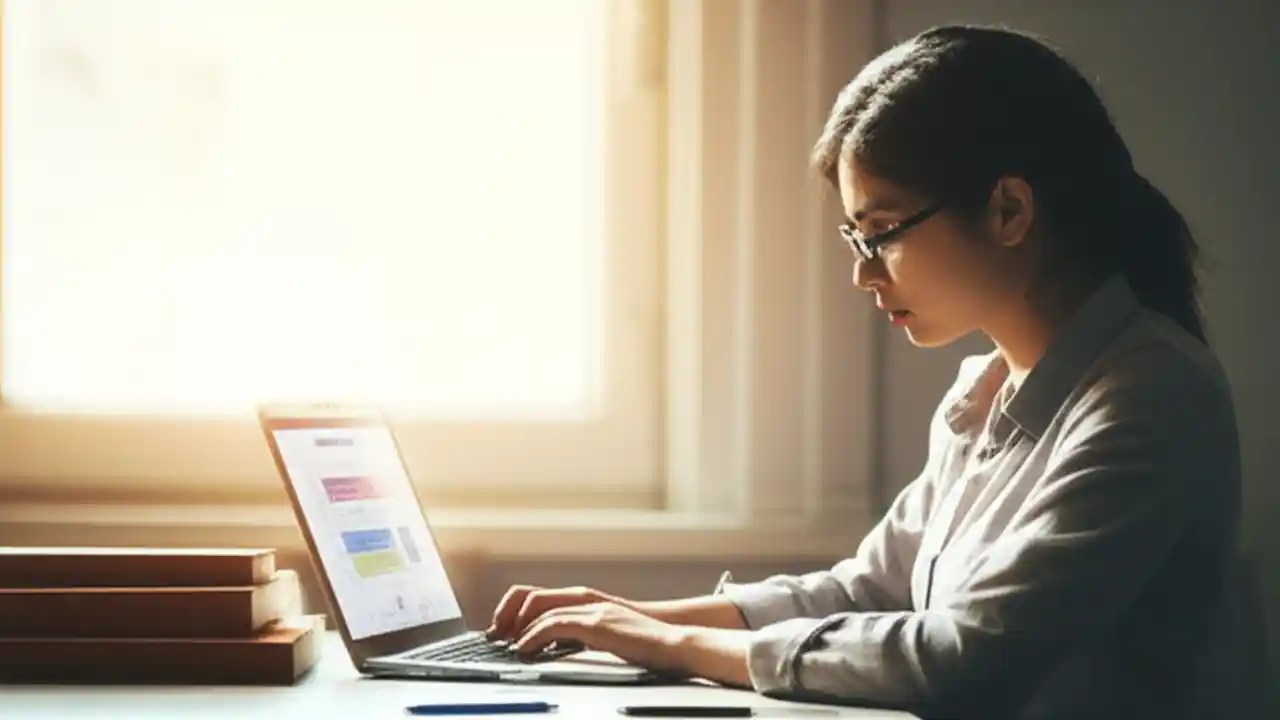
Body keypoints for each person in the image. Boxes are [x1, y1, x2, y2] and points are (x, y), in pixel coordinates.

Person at [485, 25, 1241, 720]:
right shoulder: (984, 393)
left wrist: (670, 647)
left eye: (882, 232)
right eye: (857, 237)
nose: (863, 275)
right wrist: (625, 618)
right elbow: (869, 591)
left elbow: (962, 658)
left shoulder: (1150, 395)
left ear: (1009, 210)